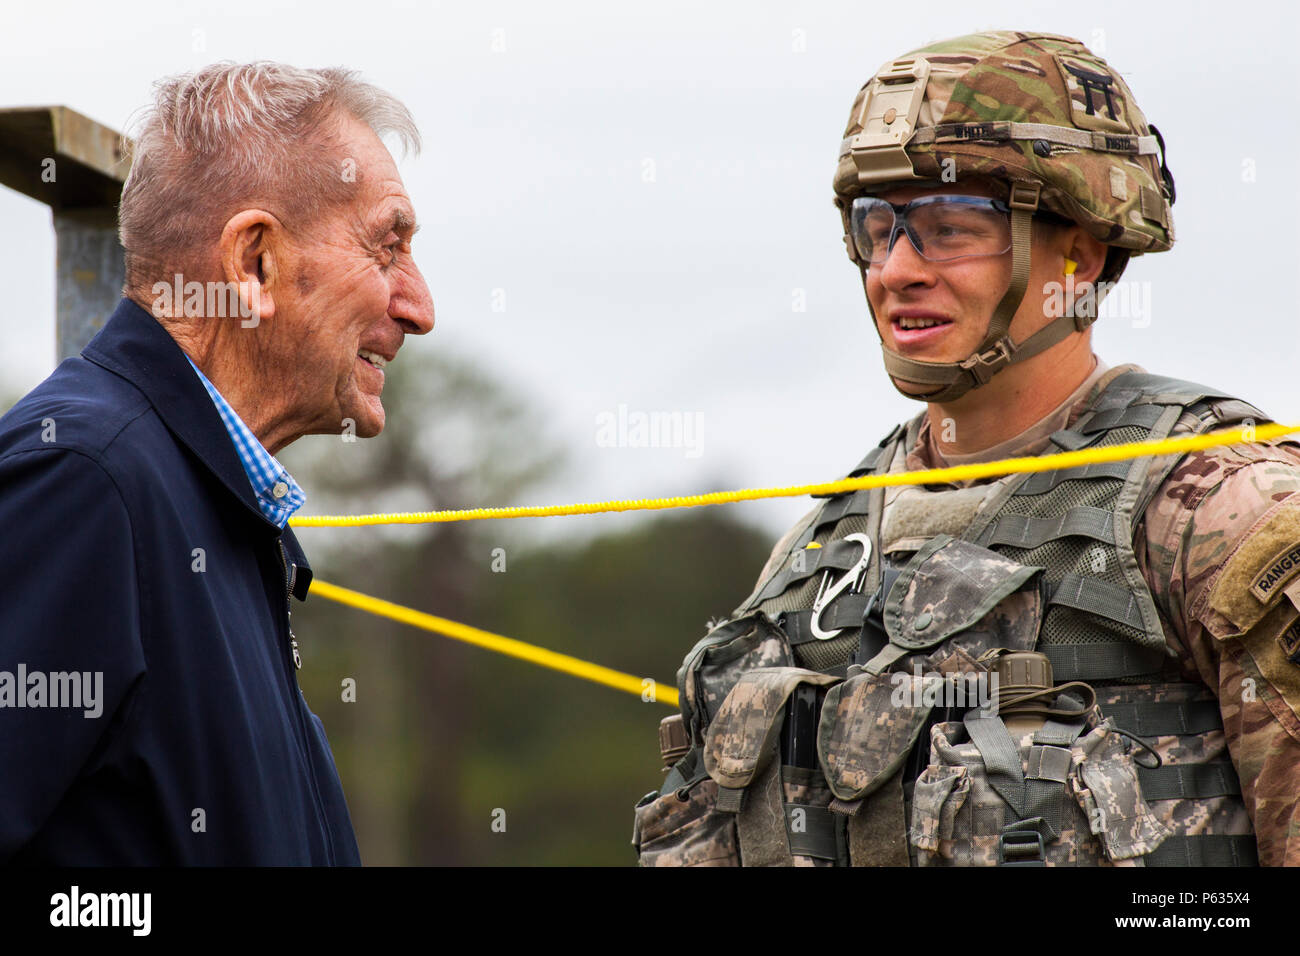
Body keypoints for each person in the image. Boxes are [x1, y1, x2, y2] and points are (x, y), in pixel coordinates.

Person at [633, 30, 1300, 867]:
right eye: (878, 227)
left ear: (1080, 252)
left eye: (950, 228)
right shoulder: (821, 549)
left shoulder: (1221, 508)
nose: (895, 269)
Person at [0, 62, 434, 864]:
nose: (420, 307)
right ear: (254, 262)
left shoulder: (209, 502)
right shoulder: (84, 482)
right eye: (388, 246)